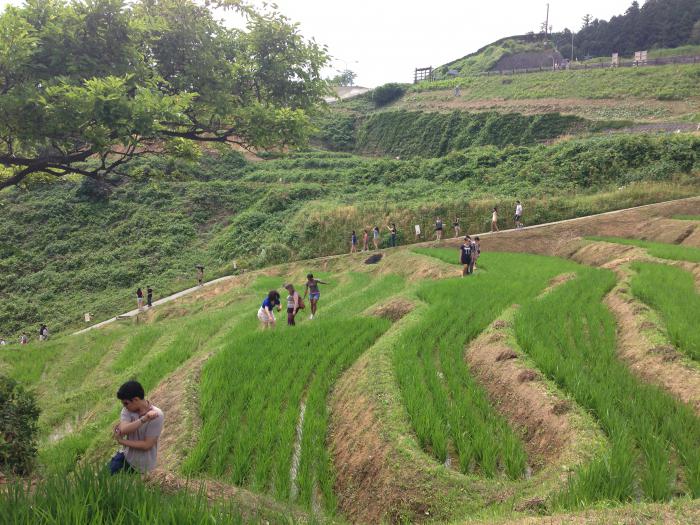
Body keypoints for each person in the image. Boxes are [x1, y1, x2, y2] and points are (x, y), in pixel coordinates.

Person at [110, 380, 164, 475]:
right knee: (102, 480)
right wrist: (144, 419)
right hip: (126, 457)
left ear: (135, 400)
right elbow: (124, 430)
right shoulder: (127, 410)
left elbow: (147, 445)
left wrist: (122, 441)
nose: (124, 406)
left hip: (142, 467)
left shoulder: (157, 415)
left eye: (126, 403)